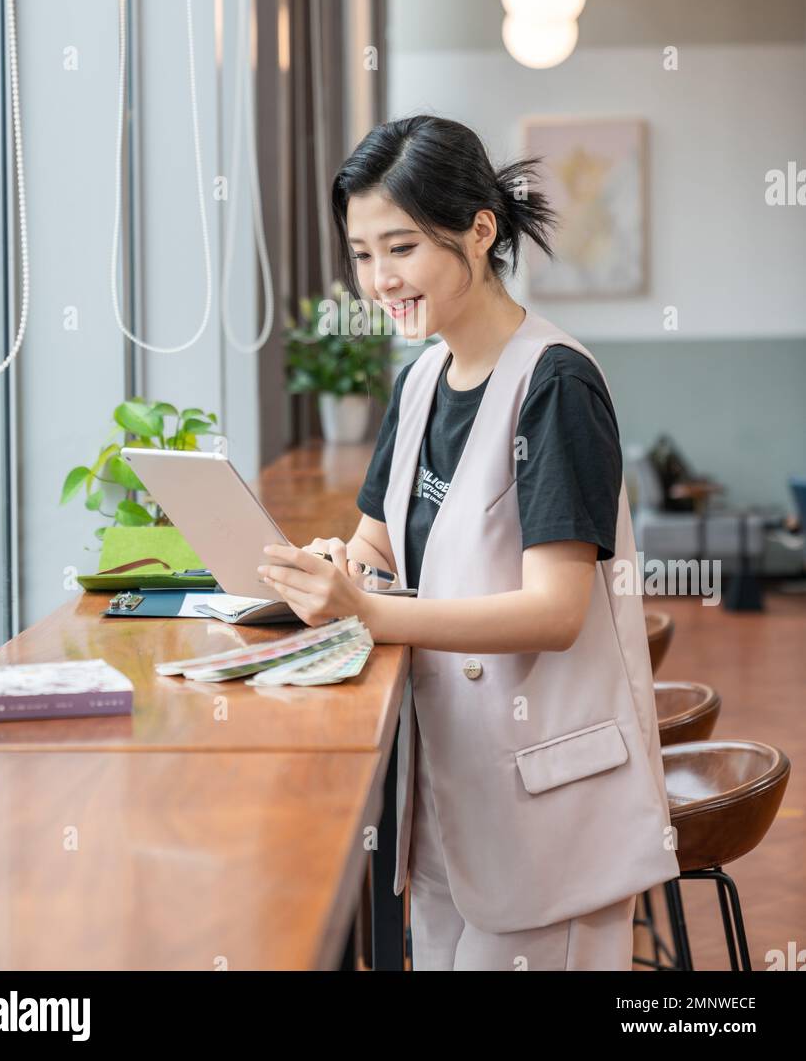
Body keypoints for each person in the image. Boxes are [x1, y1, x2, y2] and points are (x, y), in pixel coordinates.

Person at [257, 114, 680, 971]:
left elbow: (555, 611)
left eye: (401, 248)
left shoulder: (555, 384)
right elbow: (377, 540)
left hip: (545, 805)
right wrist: (337, 567)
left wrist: (367, 614)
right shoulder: (420, 381)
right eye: (362, 253)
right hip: (451, 797)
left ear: (480, 231)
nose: (379, 280)